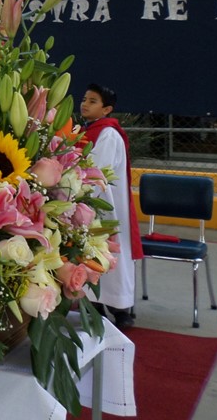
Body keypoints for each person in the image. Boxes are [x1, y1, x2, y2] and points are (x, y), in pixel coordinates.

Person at [80, 83, 144, 330]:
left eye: (93, 101)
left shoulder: (108, 134)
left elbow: (97, 172)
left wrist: (81, 197)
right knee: (93, 252)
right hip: (93, 203)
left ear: (107, 109)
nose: (85, 104)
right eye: (85, 99)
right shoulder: (89, 130)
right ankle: (95, 302)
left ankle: (120, 308)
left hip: (106, 206)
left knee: (112, 253)